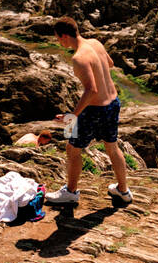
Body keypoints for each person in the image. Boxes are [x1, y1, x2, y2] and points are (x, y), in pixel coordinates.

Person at [45, 18, 132, 207]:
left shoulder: (78, 58)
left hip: (93, 110)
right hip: (113, 102)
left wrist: (72, 116)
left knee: (72, 149)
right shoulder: (95, 43)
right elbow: (109, 63)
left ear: (64, 36)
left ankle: (70, 192)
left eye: (59, 39)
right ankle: (123, 190)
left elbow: (91, 90)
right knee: (112, 146)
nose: (59, 43)